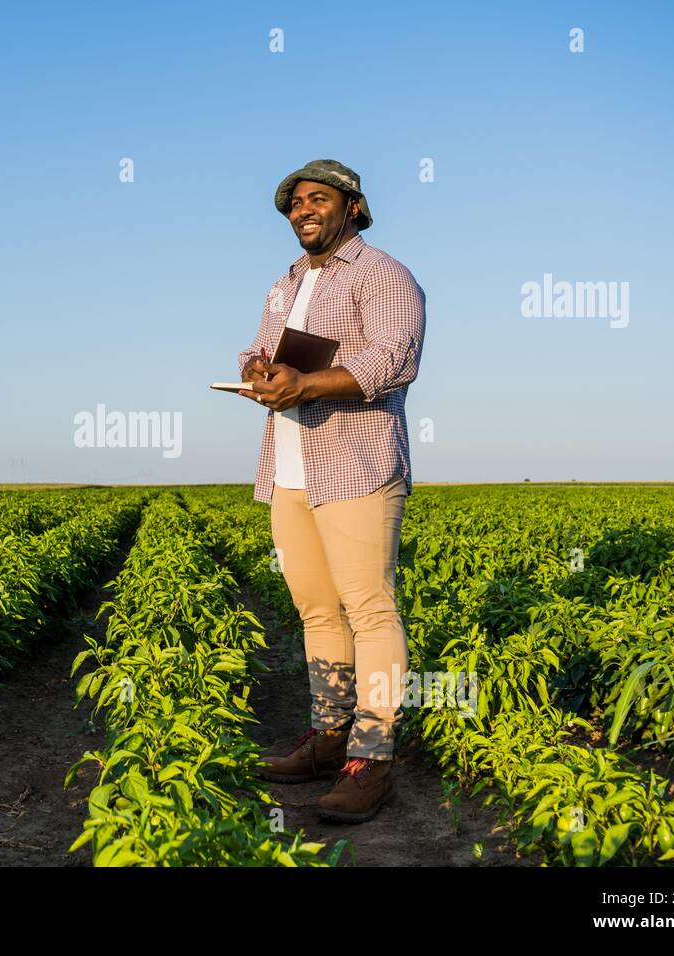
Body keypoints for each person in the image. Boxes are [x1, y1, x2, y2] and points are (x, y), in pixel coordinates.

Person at [236, 159, 426, 823]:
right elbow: (261, 349)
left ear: (353, 206)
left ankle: (370, 761)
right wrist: (258, 369)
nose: (301, 210)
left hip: (355, 466)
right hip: (290, 468)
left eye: (317, 198)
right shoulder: (286, 282)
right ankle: (328, 738)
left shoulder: (383, 274)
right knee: (317, 612)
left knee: (370, 611)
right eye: (293, 203)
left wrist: (308, 384)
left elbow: (392, 358)